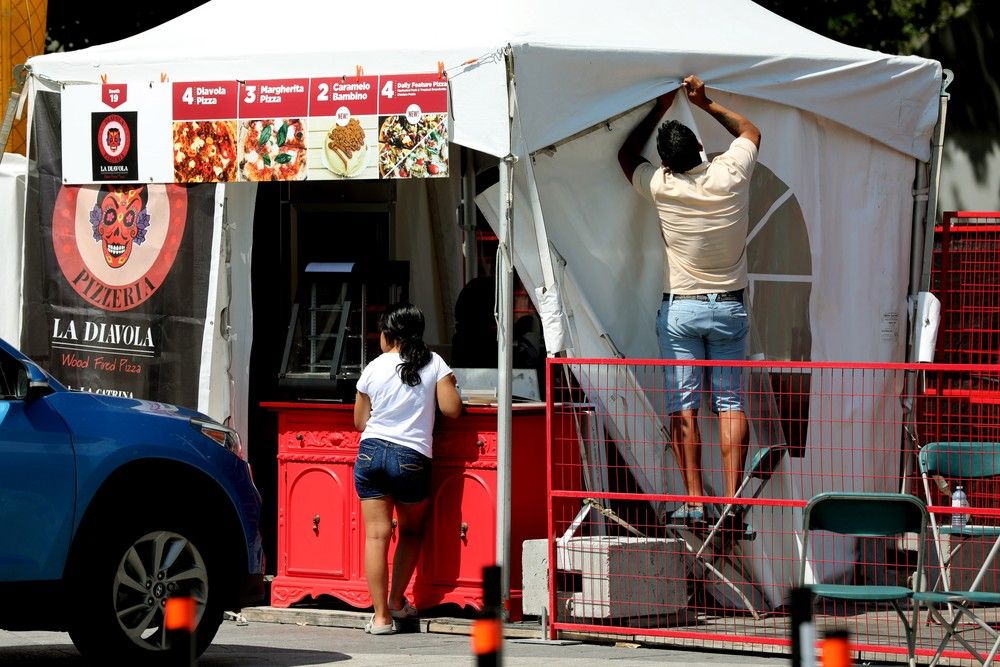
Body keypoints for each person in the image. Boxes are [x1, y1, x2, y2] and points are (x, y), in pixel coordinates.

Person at [617, 75, 761, 524]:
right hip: (729, 306)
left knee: (684, 405)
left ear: (666, 162)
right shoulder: (730, 174)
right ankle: (734, 502)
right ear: (700, 152)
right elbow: (751, 132)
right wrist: (705, 102)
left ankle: (696, 499)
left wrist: (661, 107)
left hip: (680, 307)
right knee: (730, 402)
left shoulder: (662, 185)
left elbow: (624, 156)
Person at [353, 303, 463, 634]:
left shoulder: (373, 367)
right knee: (411, 531)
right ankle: (398, 601)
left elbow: (360, 422)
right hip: (411, 457)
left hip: (370, 453)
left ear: (388, 335)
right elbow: (452, 409)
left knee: (376, 535)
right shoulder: (434, 363)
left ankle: (381, 618)